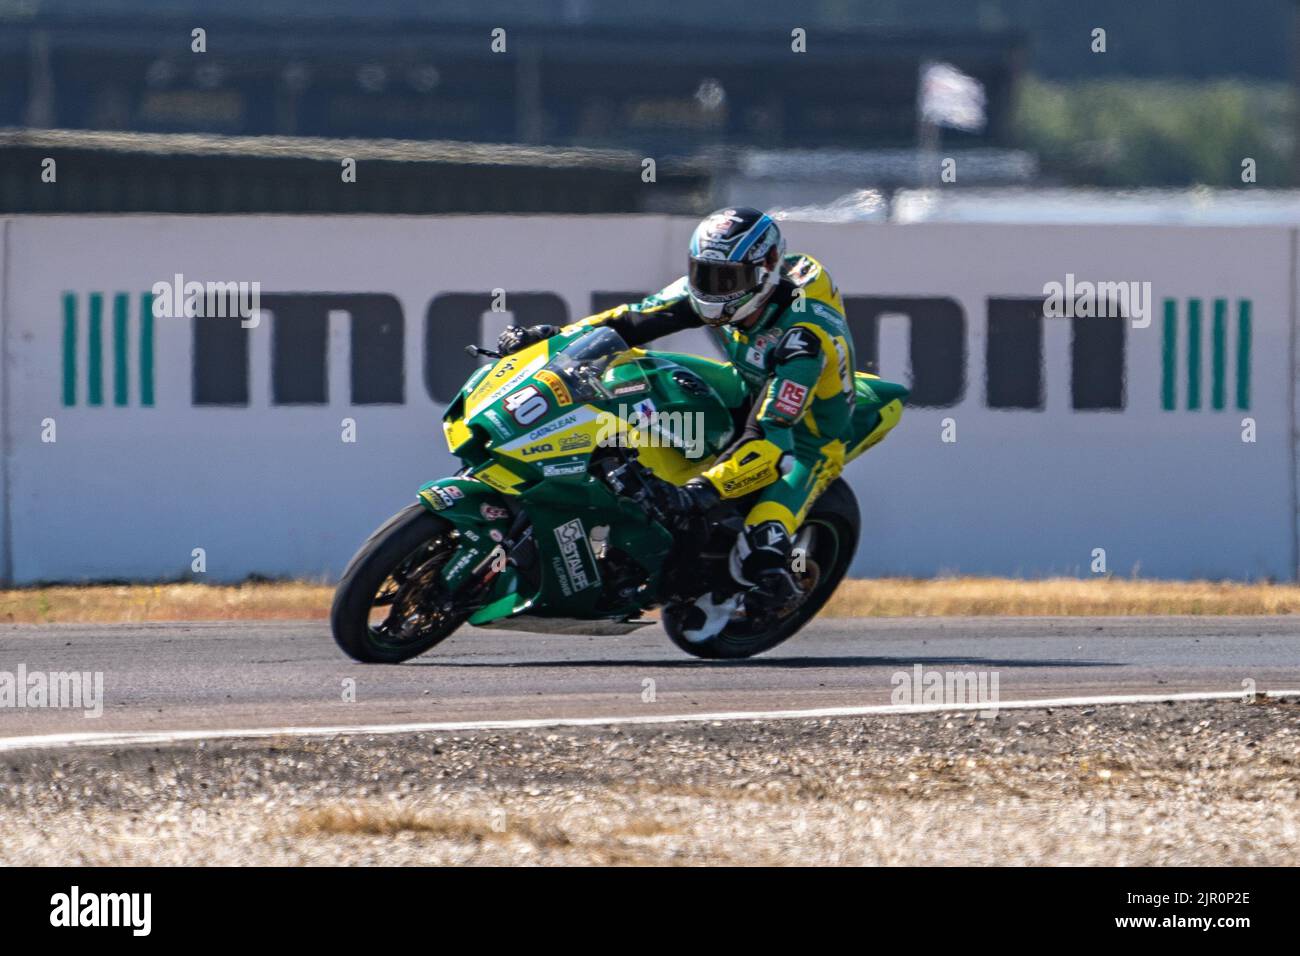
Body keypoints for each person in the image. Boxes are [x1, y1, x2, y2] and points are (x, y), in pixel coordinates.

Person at [497, 207, 856, 614]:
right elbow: (627, 323)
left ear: (765, 272)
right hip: (744, 384)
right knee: (628, 371)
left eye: (726, 280)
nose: (712, 290)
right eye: (703, 274)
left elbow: (771, 437)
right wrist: (555, 341)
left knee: (763, 543)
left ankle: (771, 575)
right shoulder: (728, 288)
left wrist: (700, 493)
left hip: (806, 434)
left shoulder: (802, 342)